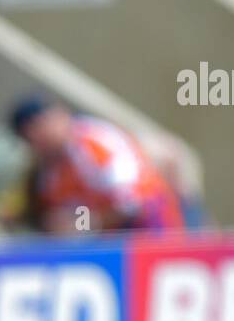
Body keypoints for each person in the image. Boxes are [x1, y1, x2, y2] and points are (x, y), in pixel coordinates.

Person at [11, 97, 185, 232]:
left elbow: (132, 204)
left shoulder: (94, 143)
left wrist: (82, 224)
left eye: (41, 126)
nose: (38, 138)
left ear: (59, 116)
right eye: (29, 137)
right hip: (110, 239)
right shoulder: (46, 172)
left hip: (151, 226)